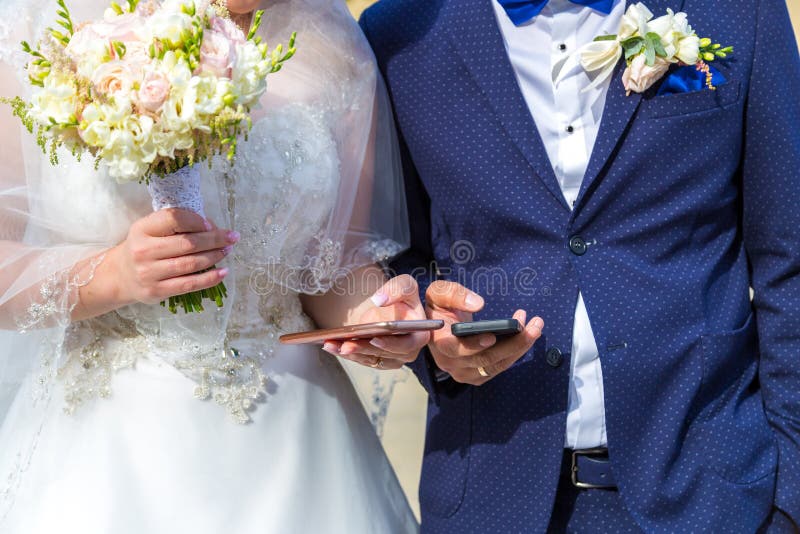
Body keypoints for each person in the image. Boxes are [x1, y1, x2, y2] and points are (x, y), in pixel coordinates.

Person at [360, 0, 800, 531]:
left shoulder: (742, 11)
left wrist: (790, 503)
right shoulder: (398, 33)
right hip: (492, 500)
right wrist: (436, 343)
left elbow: (789, 260)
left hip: (715, 497)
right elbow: (395, 253)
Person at [0, 0, 426, 532]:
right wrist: (113, 275)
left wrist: (377, 316)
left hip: (292, 443)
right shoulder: (42, 31)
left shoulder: (335, 44)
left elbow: (334, 266)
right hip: (107, 450)